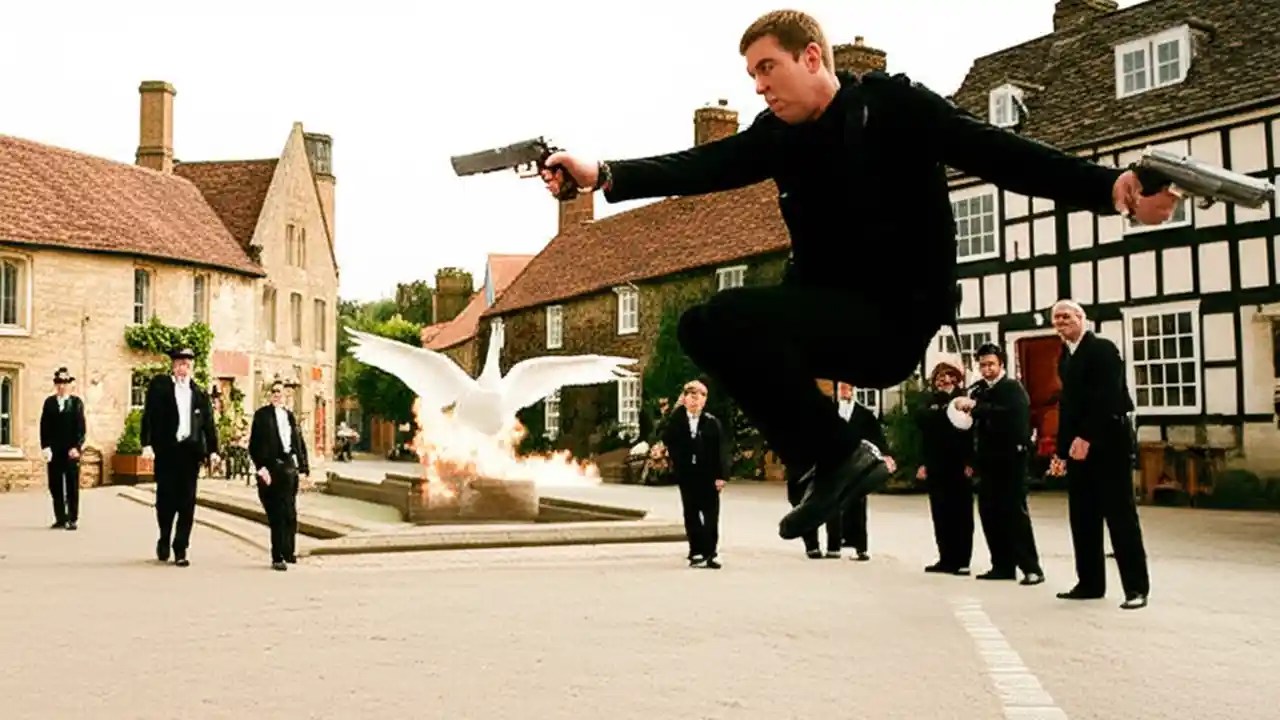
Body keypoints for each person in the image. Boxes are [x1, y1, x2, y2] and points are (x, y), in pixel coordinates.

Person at [538, 9, 1179, 541]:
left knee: (728, 320)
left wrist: (1112, 188)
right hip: (829, 315)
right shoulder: (776, 136)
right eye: (751, 74)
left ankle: (835, 455)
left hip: (895, 315)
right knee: (703, 325)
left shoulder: (896, 108)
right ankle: (830, 456)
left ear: (812, 58)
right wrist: (605, 174)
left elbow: (1000, 154)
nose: (759, 87)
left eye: (768, 68)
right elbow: (700, 167)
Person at [1049, 299, 1149, 610]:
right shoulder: (1065, 357)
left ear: (1082, 318)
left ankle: (1136, 588)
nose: (1061, 322)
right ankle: (1090, 583)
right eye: (1056, 318)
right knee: (1083, 516)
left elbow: (1107, 397)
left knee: (1120, 515)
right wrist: (1061, 451)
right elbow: (1068, 408)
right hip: (1079, 446)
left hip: (1109, 440)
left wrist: (1087, 436)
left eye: (1067, 316)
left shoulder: (1103, 349)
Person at [953, 343, 1043, 586]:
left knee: (1014, 513)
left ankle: (1031, 567)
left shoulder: (1012, 389)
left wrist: (977, 408)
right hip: (986, 459)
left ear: (1001, 364)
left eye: (991, 364)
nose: (987, 369)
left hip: (1011, 459)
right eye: (982, 365)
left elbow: (1011, 417)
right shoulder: (979, 390)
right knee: (989, 513)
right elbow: (973, 427)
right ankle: (1002, 565)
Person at [140, 347, 220, 567]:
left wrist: (213, 450)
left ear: (191, 367)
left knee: (187, 503)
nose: (182, 369)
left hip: (190, 454)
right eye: (179, 365)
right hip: (167, 452)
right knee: (165, 501)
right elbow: (149, 416)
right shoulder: (160, 388)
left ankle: (181, 548)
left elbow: (209, 425)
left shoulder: (200, 394)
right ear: (173, 367)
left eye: (186, 365)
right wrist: (146, 444)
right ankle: (164, 537)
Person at [914, 359, 976, 575]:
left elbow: (971, 434)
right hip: (936, 462)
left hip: (959, 464)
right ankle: (946, 558)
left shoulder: (966, 399)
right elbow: (923, 427)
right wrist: (923, 463)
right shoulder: (929, 400)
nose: (944, 380)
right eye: (939, 377)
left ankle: (962, 560)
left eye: (948, 376)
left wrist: (971, 462)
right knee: (940, 512)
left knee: (961, 512)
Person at [660, 377, 730, 569]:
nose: (695, 400)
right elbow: (665, 436)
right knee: (691, 513)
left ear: (705, 400)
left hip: (707, 474)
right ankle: (696, 551)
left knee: (711, 514)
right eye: (692, 396)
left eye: (700, 396)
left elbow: (721, 451)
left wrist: (721, 476)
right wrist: (673, 411)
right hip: (687, 474)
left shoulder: (711, 422)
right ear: (685, 398)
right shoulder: (677, 420)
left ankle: (711, 552)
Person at [249, 380, 310, 571]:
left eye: (280, 392)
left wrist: (304, 469)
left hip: (288, 467)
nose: (277, 395)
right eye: (274, 392)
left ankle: (288, 551)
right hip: (271, 467)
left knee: (290, 513)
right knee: (276, 514)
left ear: (286, 396)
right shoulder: (262, 416)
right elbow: (254, 445)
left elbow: (298, 443)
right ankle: (277, 556)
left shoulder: (290, 416)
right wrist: (261, 468)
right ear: (269, 395)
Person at [835, 382, 893, 562]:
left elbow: (877, 437)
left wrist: (886, 455)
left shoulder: (864, 415)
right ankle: (836, 542)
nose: (845, 392)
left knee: (858, 504)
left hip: (858, 462)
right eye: (842, 388)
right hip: (836, 462)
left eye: (848, 388)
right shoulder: (831, 412)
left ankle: (861, 546)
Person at [40, 367, 86, 530]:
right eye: (59, 383)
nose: (62, 386)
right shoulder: (49, 403)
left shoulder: (76, 403)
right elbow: (44, 426)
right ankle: (60, 517)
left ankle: (72, 518)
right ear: (55, 385)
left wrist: (77, 447)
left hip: (70, 450)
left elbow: (81, 428)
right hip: (54, 450)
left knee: (72, 485)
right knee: (55, 485)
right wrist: (45, 447)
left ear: (70, 385)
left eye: (65, 383)